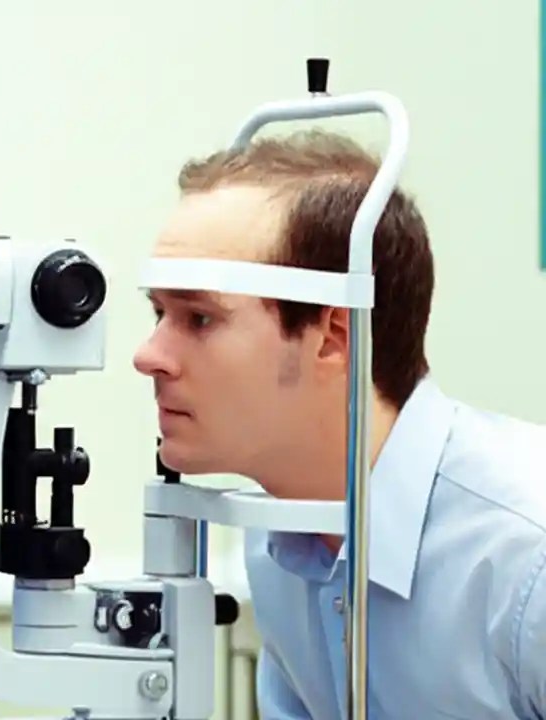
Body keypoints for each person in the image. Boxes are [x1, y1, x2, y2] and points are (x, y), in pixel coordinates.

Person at [132, 129, 546, 719]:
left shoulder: (525, 558)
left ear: (334, 338)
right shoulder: (279, 545)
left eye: (198, 318)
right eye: (159, 313)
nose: (148, 355)